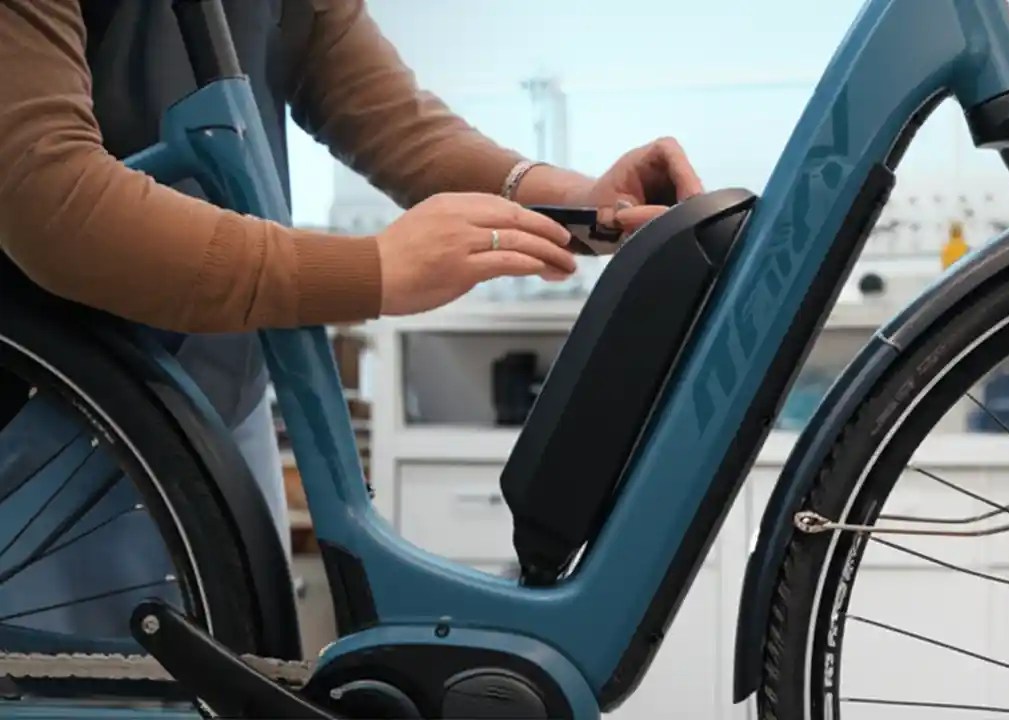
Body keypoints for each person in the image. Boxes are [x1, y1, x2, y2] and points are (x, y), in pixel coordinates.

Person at [0, 0, 703, 638]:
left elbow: (382, 112)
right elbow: (50, 201)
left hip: (211, 390)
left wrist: (574, 203)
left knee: (227, 668)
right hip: (49, 410)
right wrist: (372, 271)